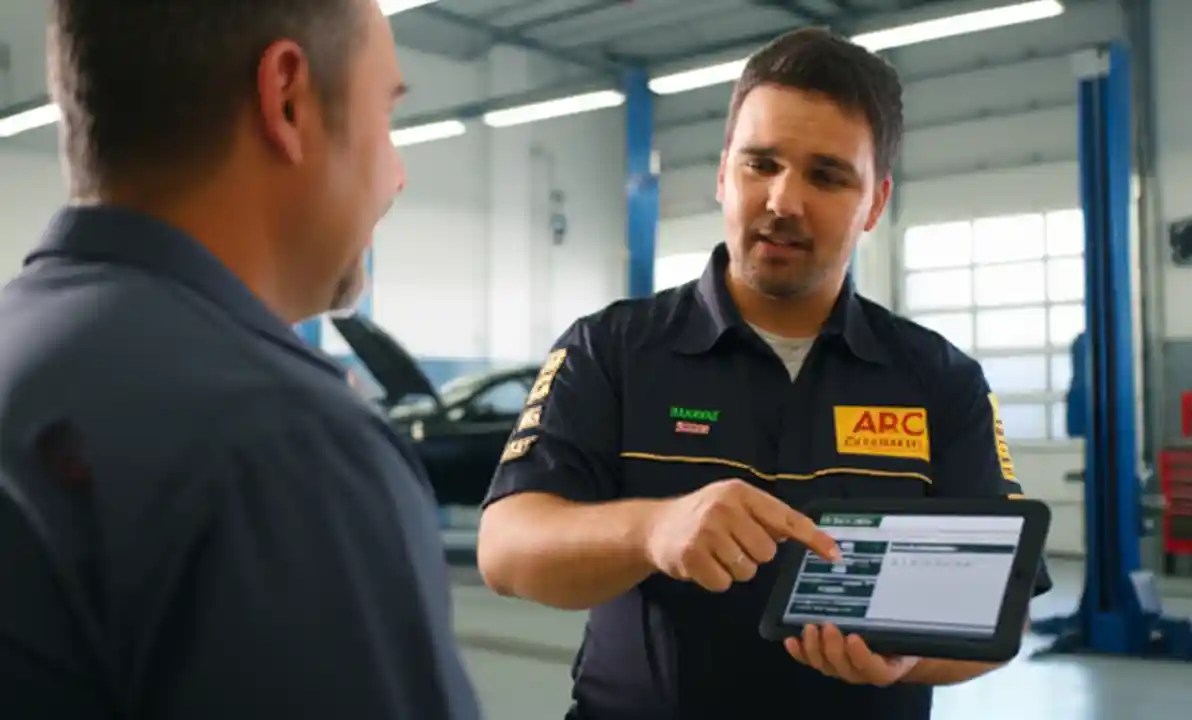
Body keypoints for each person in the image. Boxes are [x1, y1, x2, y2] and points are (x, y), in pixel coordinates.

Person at [476, 27, 1052, 720]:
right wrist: (653, 531)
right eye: (761, 164)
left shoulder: (938, 381)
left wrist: (910, 659)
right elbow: (506, 549)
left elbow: (1004, 610)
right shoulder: (613, 349)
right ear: (723, 174)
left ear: (875, 202)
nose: (784, 200)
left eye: (827, 175)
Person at [0, 1, 480, 718]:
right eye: (387, 115)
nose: (397, 174)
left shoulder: (21, 347)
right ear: (287, 98)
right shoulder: (284, 446)